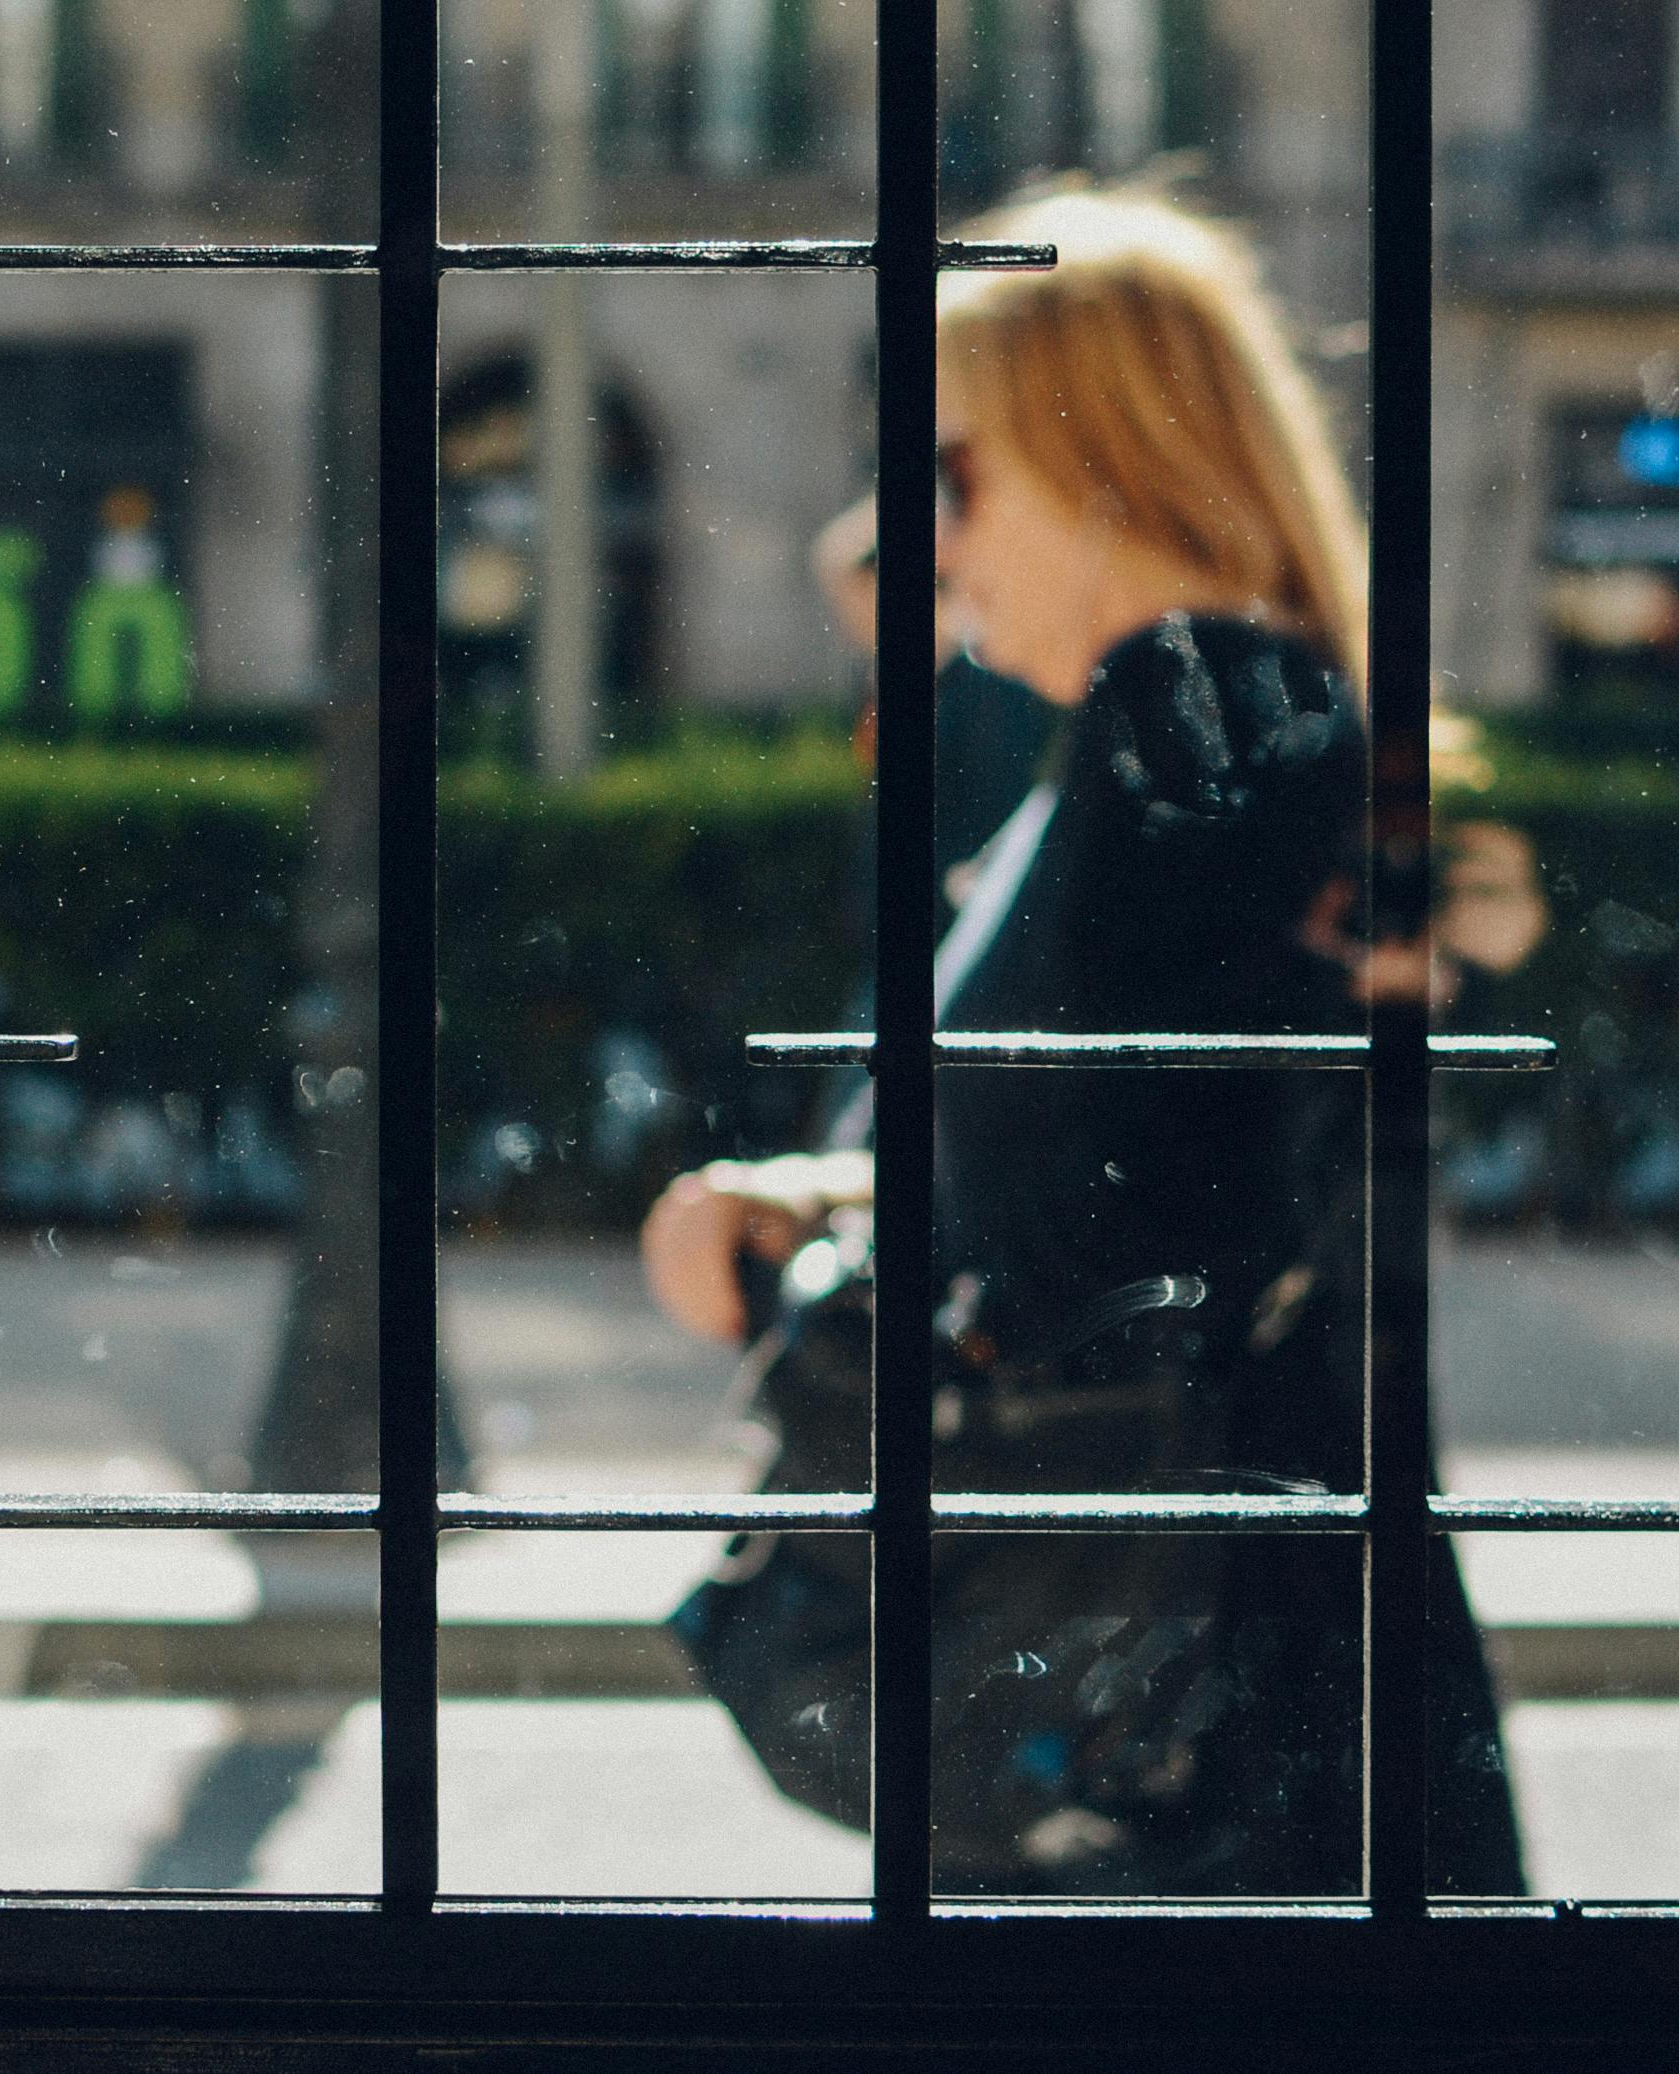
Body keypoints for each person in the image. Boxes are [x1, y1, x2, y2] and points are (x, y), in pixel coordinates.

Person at [647, 180, 1529, 1897]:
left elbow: (1123, 1273)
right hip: (1240, 1708)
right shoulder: (1210, 720)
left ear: (1107, 453)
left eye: (954, 473)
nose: (925, 536)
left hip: (1193, 1753)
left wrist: (771, 1282)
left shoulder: (1191, 717)